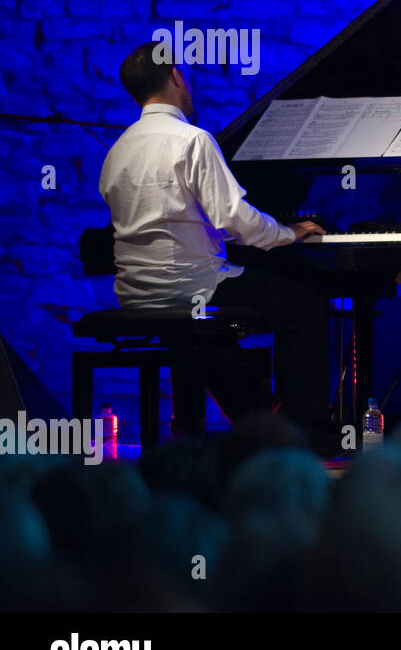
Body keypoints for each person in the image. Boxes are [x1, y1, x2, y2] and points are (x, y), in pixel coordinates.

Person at [99, 41, 330, 436]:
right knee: (306, 305)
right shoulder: (192, 140)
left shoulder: (117, 150)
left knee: (213, 337)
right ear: (176, 76)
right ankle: (302, 433)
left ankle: (257, 428)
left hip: (135, 293)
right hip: (191, 289)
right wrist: (288, 233)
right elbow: (234, 218)